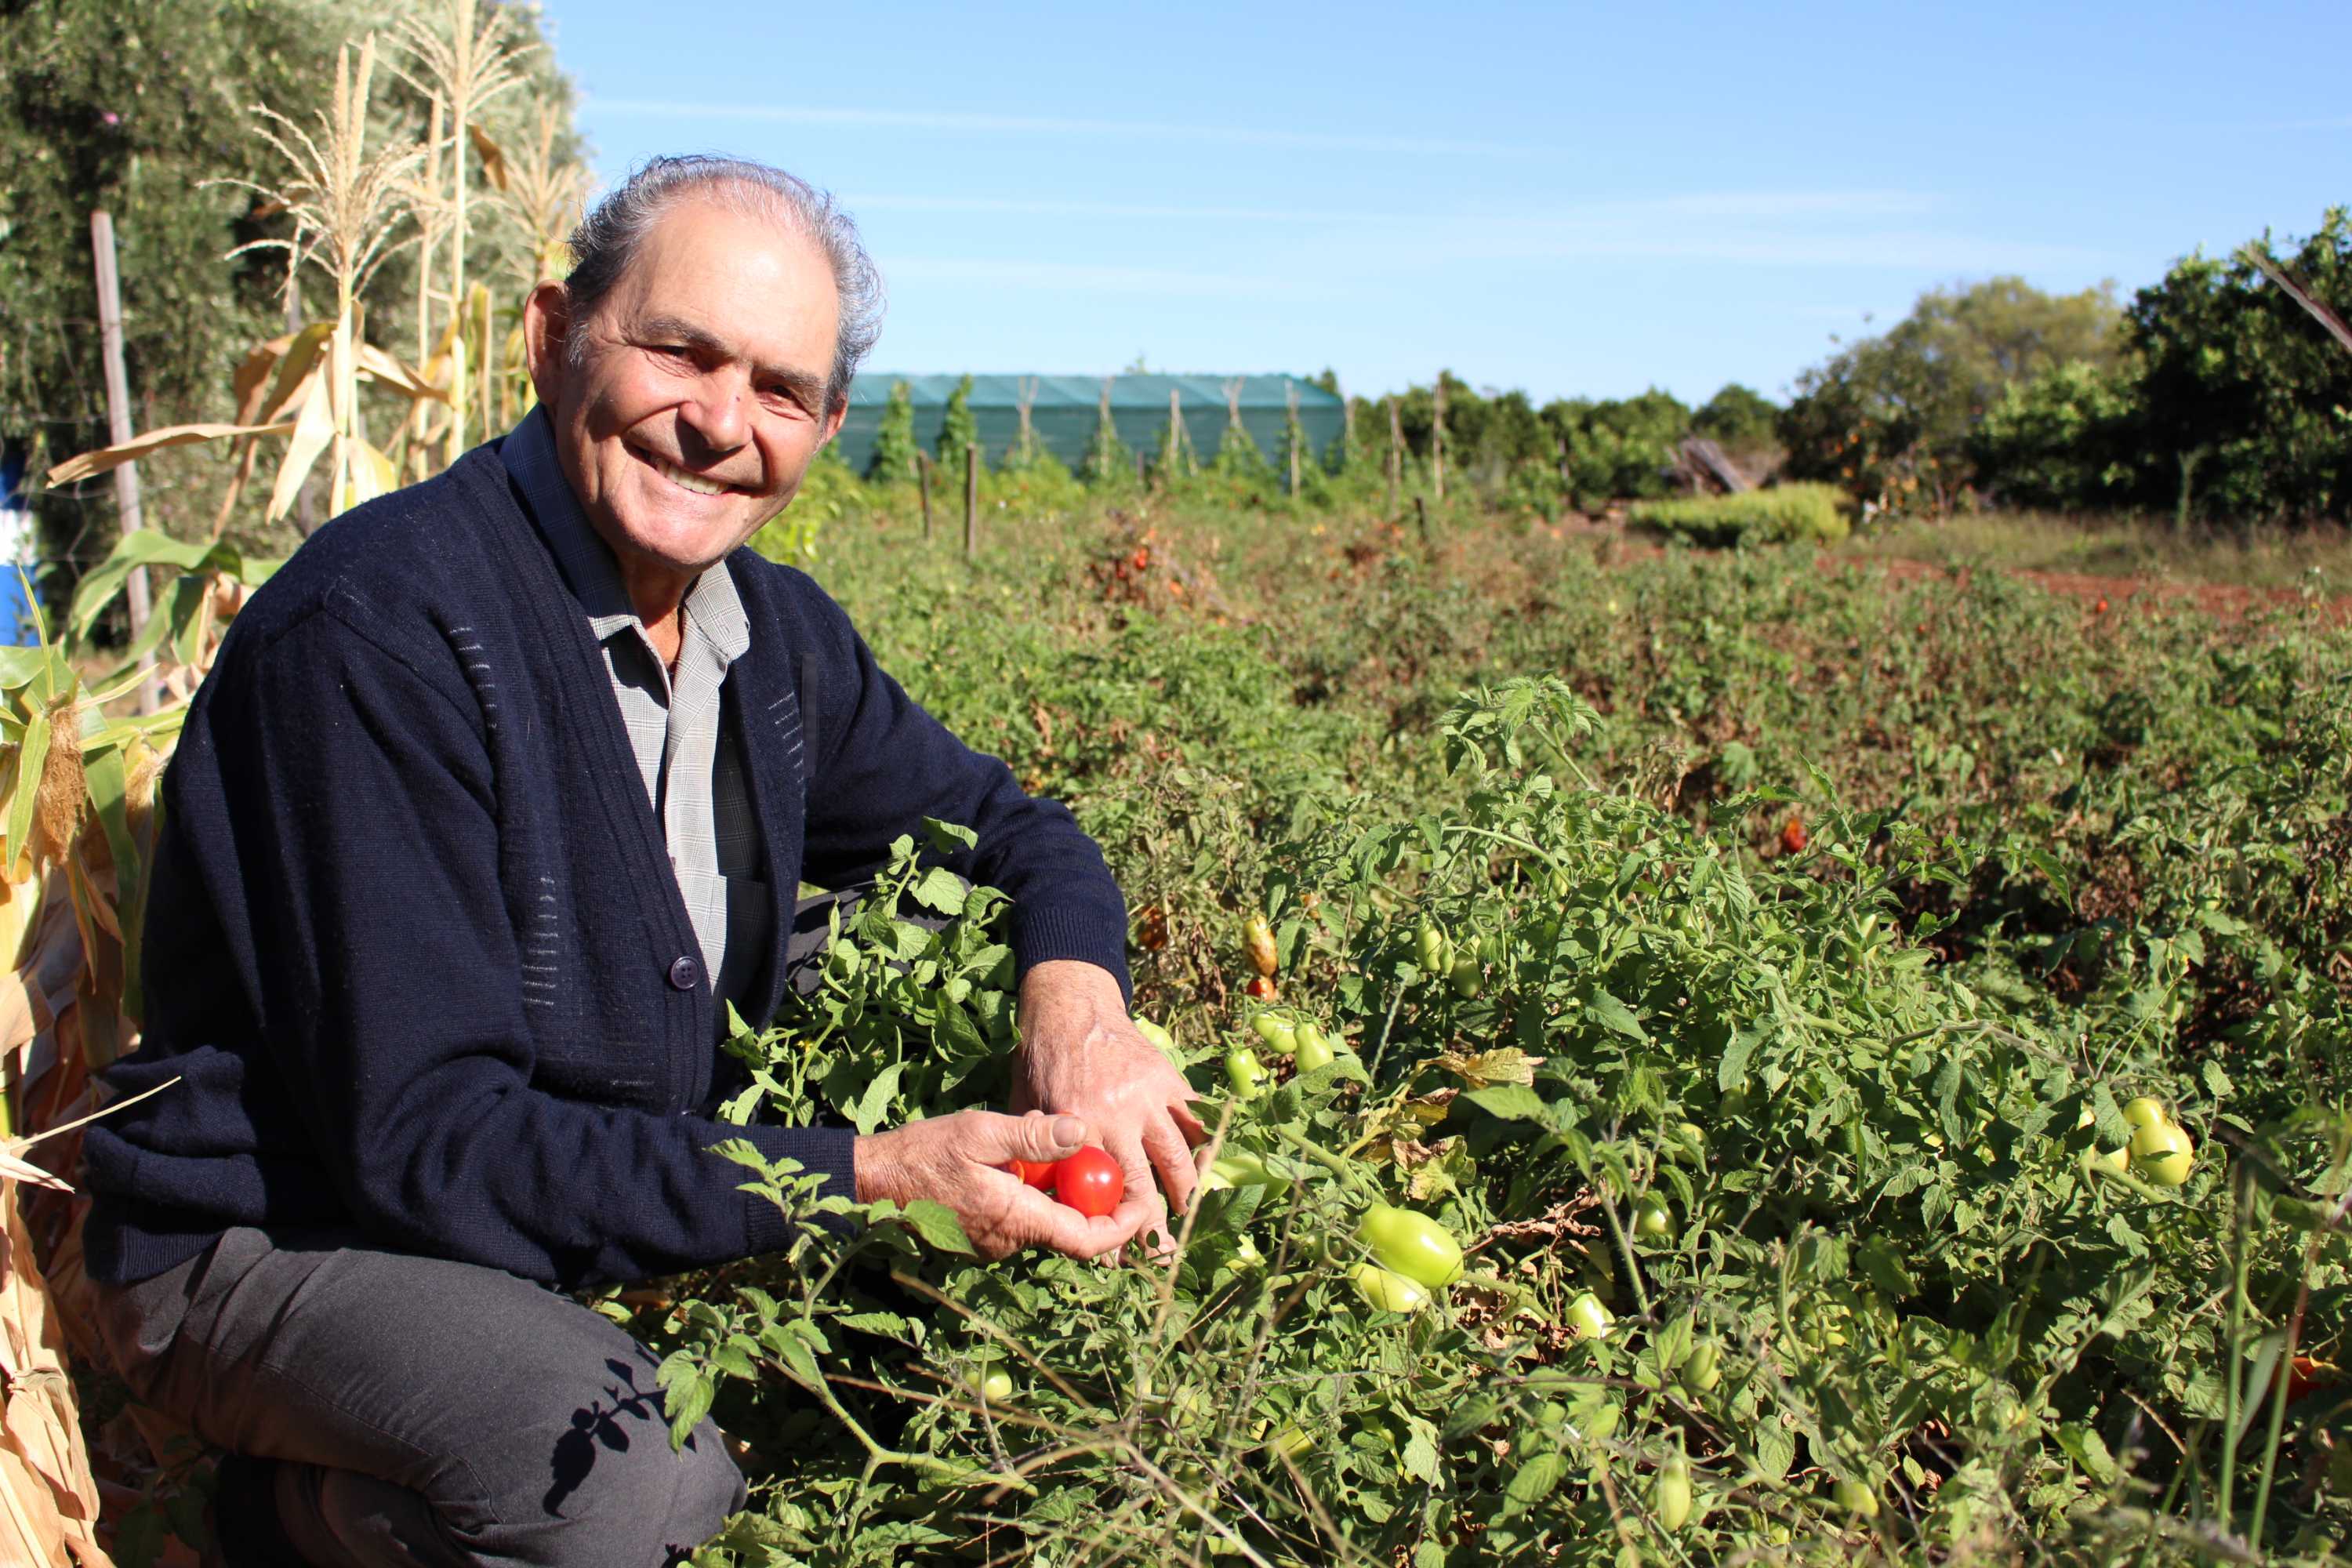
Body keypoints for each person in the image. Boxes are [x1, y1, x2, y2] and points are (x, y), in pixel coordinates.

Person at [77, 155, 1203, 1568]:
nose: (721, 423)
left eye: (781, 390)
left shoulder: (771, 639)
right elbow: (431, 1144)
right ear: (554, 338)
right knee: (634, 1480)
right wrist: (858, 1175)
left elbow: (1017, 832)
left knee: (938, 933)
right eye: (680, 352)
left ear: (825, 427)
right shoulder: (381, 636)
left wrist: (1082, 1019)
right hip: (287, 1239)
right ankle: (295, 1517)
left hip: (527, 1198)